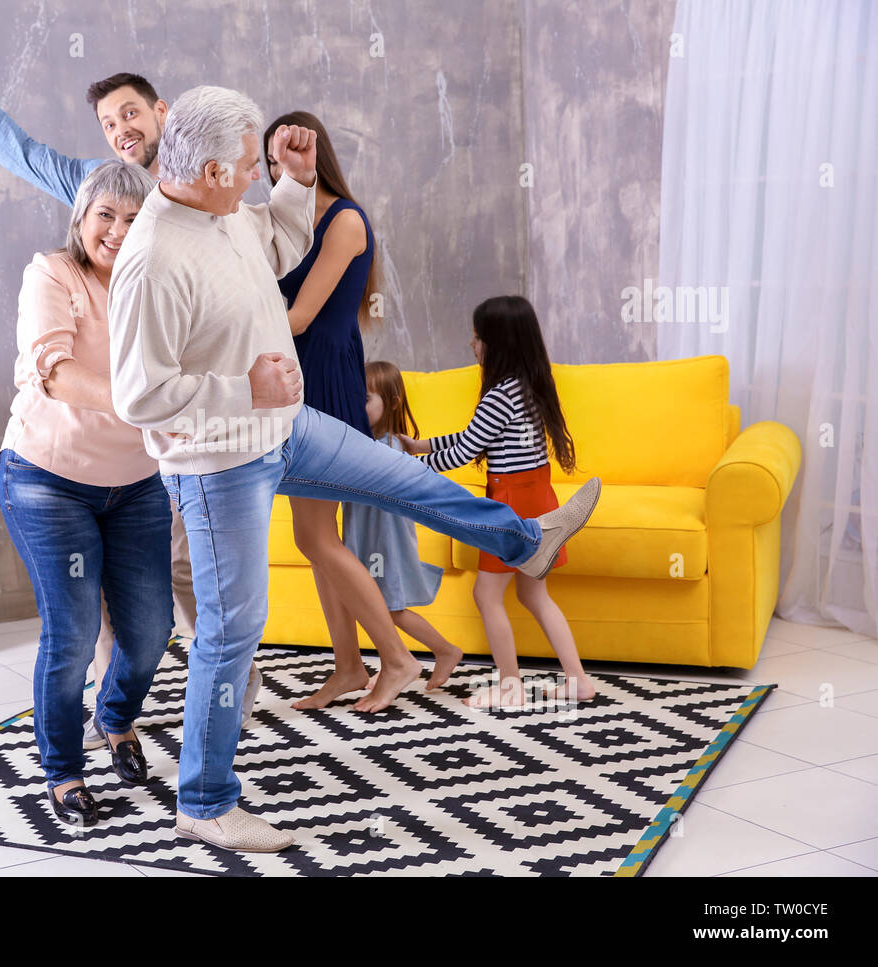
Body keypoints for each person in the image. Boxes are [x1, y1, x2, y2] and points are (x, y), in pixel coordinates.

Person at [107, 86, 602, 852]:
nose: (254, 175)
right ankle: (204, 801)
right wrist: (246, 388)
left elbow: (276, 242)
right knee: (233, 630)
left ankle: (521, 538)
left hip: (282, 426)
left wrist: (297, 183)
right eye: (246, 166)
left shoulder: (225, 210)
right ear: (206, 171)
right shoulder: (152, 257)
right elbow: (140, 395)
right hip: (217, 464)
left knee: (404, 479)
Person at [0, 2, 265, 735]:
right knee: (113, 601)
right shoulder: (97, 194)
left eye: (129, 116)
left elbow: (242, 272)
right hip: (121, 437)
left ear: (160, 113)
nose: (120, 133)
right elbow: (14, 147)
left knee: (189, 573)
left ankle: (229, 688)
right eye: (109, 126)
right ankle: (119, 722)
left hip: (187, 427)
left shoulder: (201, 188)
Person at [0, 161, 172, 829]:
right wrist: (145, 404)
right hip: (47, 480)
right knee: (71, 632)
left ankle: (116, 717)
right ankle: (64, 771)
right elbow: (57, 372)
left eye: (134, 219)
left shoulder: (154, 286)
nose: (119, 231)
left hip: (134, 483)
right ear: (81, 218)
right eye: (107, 215)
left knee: (153, 628)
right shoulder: (52, 274)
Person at [262, 110, 424, 713]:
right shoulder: (290, 220)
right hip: (297, 378)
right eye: (272, 161)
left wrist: (221, 335)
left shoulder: (345, 220)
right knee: (313, 535)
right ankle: (349, 667)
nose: (279, 171)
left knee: (316, 536)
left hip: (324, 381)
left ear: (313, 153)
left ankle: (398, 660)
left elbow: (300, 318)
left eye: (288, 155)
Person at [399, 296, 597, 708]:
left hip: (511, 504)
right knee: (534, 596)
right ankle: (578, 680)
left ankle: (511, 687)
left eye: (477, 338)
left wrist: (411, 469)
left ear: (497, 344)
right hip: (538, 497)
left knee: (487, 596)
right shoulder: (528, 388)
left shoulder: (499, 396)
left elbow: (466, 449)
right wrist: (421, 446)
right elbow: (474, 438)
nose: (472, 345)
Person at [340, 362, 465, 692]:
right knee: (375, 604)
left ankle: (444, 650)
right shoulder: (368, 441)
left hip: (385, 537)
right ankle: (392, 663)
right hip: (367, 533)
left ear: (392, 403)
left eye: (365, 399)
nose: (357, 406)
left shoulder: (390, 448)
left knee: (387, 607)